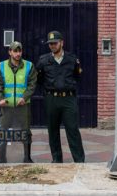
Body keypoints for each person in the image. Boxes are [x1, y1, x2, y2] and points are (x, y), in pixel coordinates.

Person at [36, 30, 85, 163]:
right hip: (51, 99)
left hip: (68, 99)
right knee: (53, 130)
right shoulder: (43, 60)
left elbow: (78, 76)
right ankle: (57, 160)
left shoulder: (72, 59)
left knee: (72, 129)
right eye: (50, 43)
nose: (52, 46)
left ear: (62, 43)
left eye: (55, 43)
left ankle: (79, 161)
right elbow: (39, 79)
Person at [0, 41, 37, 163]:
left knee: (26, 131)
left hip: (23, 105)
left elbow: (32, 85)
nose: (18, 54)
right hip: (6, 105)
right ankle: (2, 157)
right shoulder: (1, 66)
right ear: (10, 52)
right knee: (3, 131)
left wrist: (25, 97)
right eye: (15, 51)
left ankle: (27, 157)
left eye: (20, 51)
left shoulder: (29, 66)